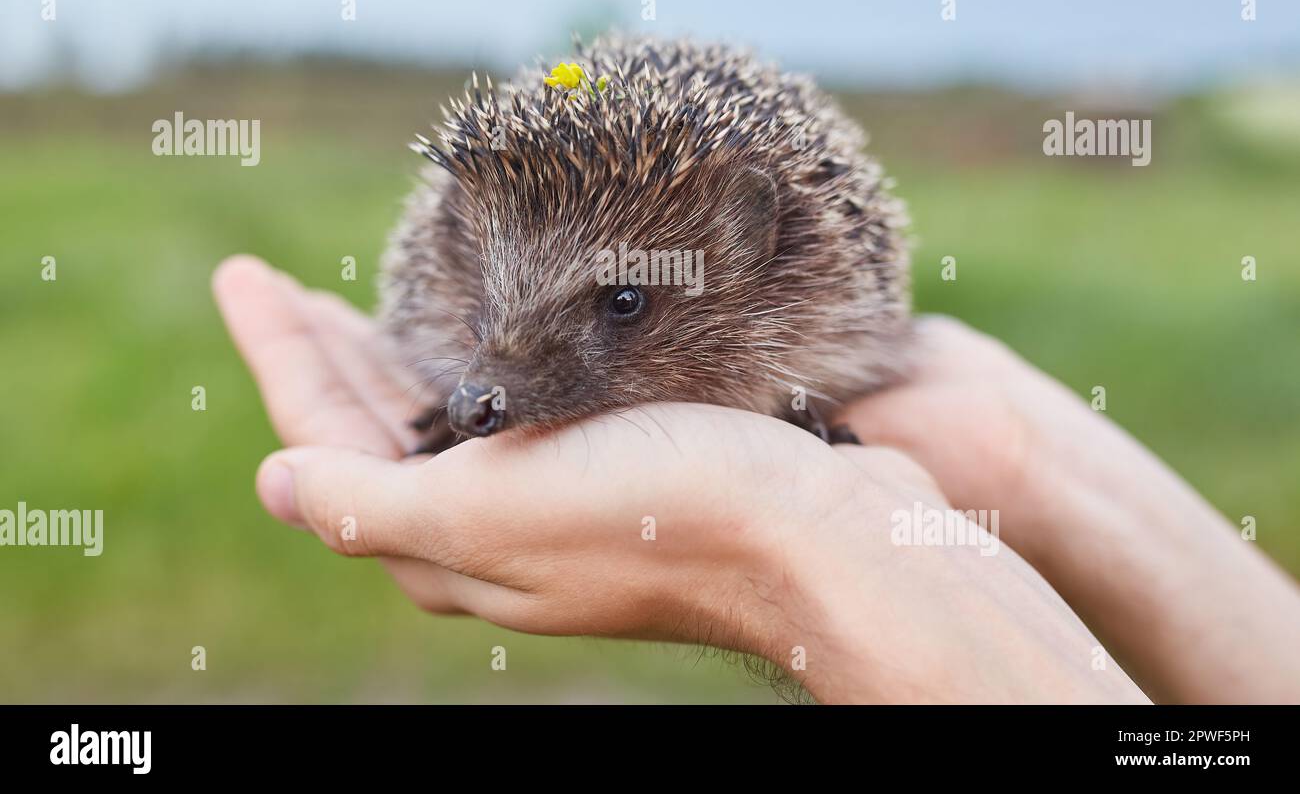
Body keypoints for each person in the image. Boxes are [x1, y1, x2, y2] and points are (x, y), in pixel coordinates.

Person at [213, 255, 1300, 704]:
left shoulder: (802, 319)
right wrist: (1034, 469)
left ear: (748, 250)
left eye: (623, 305)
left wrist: (807, 548)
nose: (487, 395)